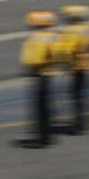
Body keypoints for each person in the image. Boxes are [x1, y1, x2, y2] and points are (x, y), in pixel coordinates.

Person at [19, 11, 61, 147]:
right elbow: (62, 54)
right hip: (51, 73)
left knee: (40, 108)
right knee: (49, 106)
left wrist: (27, 72)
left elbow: (30, 59)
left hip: (39, 75)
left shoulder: (33, 38)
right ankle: (49, 136)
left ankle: (42, 138)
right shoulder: (54, 36)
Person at [57, 5, 89, 134]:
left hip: (76, 66)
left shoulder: (70, 31)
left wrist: (62, 65)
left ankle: (79, 125)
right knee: (84, 94)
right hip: (88, 64)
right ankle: (87, 122)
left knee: (75, 96)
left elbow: (66, 51)